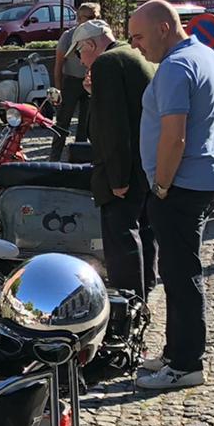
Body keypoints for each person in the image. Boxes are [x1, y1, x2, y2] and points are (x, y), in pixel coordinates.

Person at [130, 0, 214, 391]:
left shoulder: (175, 66)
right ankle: (176, 352)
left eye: (139, 36)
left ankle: (187, 363)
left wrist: (161, 186)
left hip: (183, 183)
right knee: (176, 272)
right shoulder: (206, 55)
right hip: (205, 176)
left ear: (163, 29)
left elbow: (175, 135)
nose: (136, 45)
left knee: (181, 274)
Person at [76, 18, 156, 300]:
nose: (81, 60)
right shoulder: (134, 55)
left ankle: (130, 302)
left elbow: (112, 126)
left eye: (80, 52)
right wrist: (92, 92)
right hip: (147, 164)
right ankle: (146, 290)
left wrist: (117, 178)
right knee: (144, 230)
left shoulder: (107, 63)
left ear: (90, 44)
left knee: (121, 238)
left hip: (126, 169)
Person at [50, 2, 103, 161]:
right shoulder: (68, 36)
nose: (95, 20)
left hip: (90, 83)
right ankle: (55, 157)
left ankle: (79, 158)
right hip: (71, 82)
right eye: (90, 17)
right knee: (62, 122)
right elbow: (58, 65)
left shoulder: (100, 37)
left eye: (96, 17)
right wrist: (58, 90)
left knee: (85, 125)